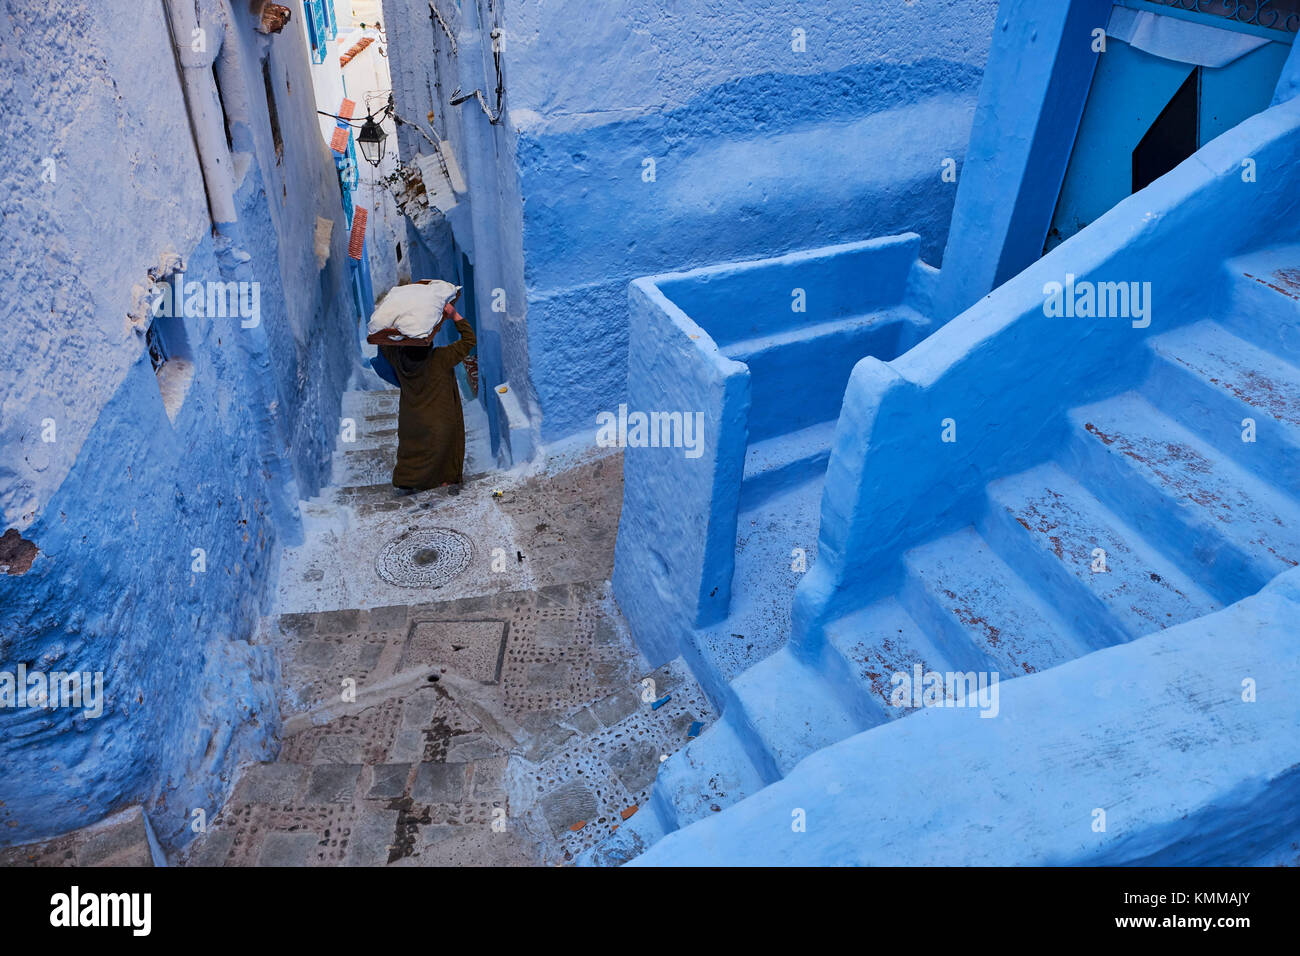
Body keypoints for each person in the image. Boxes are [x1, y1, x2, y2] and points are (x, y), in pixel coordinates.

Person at [378, 302, 476, 491]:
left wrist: (395, 325)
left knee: (411, 452)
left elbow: (384, 344)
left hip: (411, 420)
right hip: (440, 419)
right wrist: (454, 315)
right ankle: (446, 480)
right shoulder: (441, 358)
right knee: (445, 448)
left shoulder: (398, 360)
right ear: (428, 342)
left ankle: (408, 481)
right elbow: (469, 341)